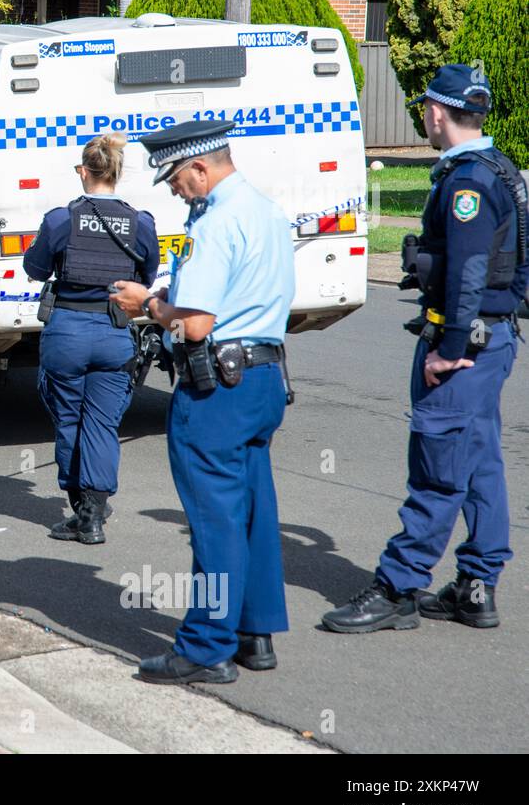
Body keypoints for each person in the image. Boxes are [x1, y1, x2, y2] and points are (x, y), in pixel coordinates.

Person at [323, 64, 528, 634]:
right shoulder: (498, 168)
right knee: (480, 463)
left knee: (438, 469)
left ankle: (397, 587)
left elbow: (468, 271)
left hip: (464, 345)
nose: (424, 119)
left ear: (437, 112)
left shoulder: (467, 182)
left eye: (425, 111)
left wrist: (451, 347)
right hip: (493, 338)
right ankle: (476, 585)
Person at [111, 120, 295, 684]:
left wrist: (149, 306)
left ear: (200, 167)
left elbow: (195, 326)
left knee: (214, 520)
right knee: (253, 510)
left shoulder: (215, 222)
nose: (172, 188)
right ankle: (252, 631)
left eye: (174, 178)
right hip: (263, 377)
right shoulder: (264, 208)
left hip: (217, 386)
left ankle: (206, 646)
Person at [23, 133, 159, 544]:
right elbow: (146, 277)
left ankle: (80, 507)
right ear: (116, 173)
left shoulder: (61, 220)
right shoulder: (141, 223)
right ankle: (96, 514)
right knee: (102, 423)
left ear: (84, 171)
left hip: (67, 332)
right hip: (114, 331)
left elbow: (34, 268)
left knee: (69, 420)